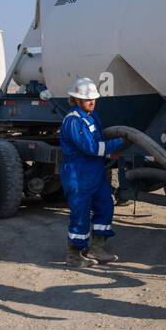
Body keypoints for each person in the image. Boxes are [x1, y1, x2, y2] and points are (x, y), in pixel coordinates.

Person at [60, 78, 125, 267]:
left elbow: (99, 140)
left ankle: (97, 248)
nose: (92, 102)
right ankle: (74, 255)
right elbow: (91, 147)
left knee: (106, 206)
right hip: (78, 175)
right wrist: (119, 142)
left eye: (94, 99)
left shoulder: (91, 116)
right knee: (80, 214)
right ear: (75, 99)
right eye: (87, 99)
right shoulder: (73, 121)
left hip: (95, 173)